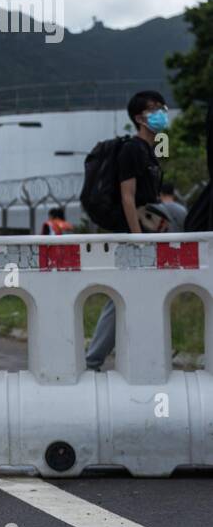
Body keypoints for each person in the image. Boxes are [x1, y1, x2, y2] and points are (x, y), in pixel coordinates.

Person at [84, 91, 167, 372]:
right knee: (121, 295)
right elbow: (127, 196)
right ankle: (93, 360)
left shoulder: (150, 150)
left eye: (161, 107)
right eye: (153, 109)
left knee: (132, 295)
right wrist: (137, 238)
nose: (161, 113)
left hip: (145, 230)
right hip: (133, 234)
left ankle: (127, 357)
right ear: (138, 118)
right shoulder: (133, 149)